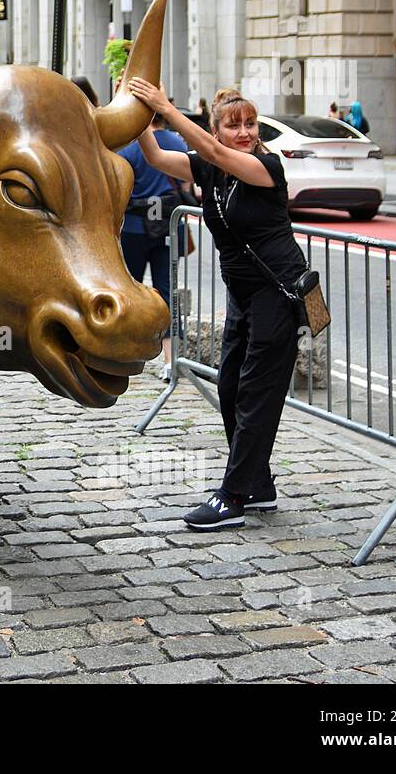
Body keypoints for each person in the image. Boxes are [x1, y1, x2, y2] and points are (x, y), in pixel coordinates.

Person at [126, 79, 308, 532]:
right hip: (243, 296)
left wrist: (167, 108)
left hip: (278, 293)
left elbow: (220, 155)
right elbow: (155, 157)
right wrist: (138, 116)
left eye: (249, 123)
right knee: (230, 387)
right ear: (218, 128)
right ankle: (259, 483)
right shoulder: (209, 170)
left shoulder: (266, 165)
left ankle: (233, 495)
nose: (244, 131)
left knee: (256, 395)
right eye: (234, 125)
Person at [118, 110, 189, 373]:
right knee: (168, 289)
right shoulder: (176, 142)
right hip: (170, 225)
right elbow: (186, 188)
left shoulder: (128, 147)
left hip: (134, 228)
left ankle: (128, 352)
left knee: (130, 290)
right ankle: (171, 359)